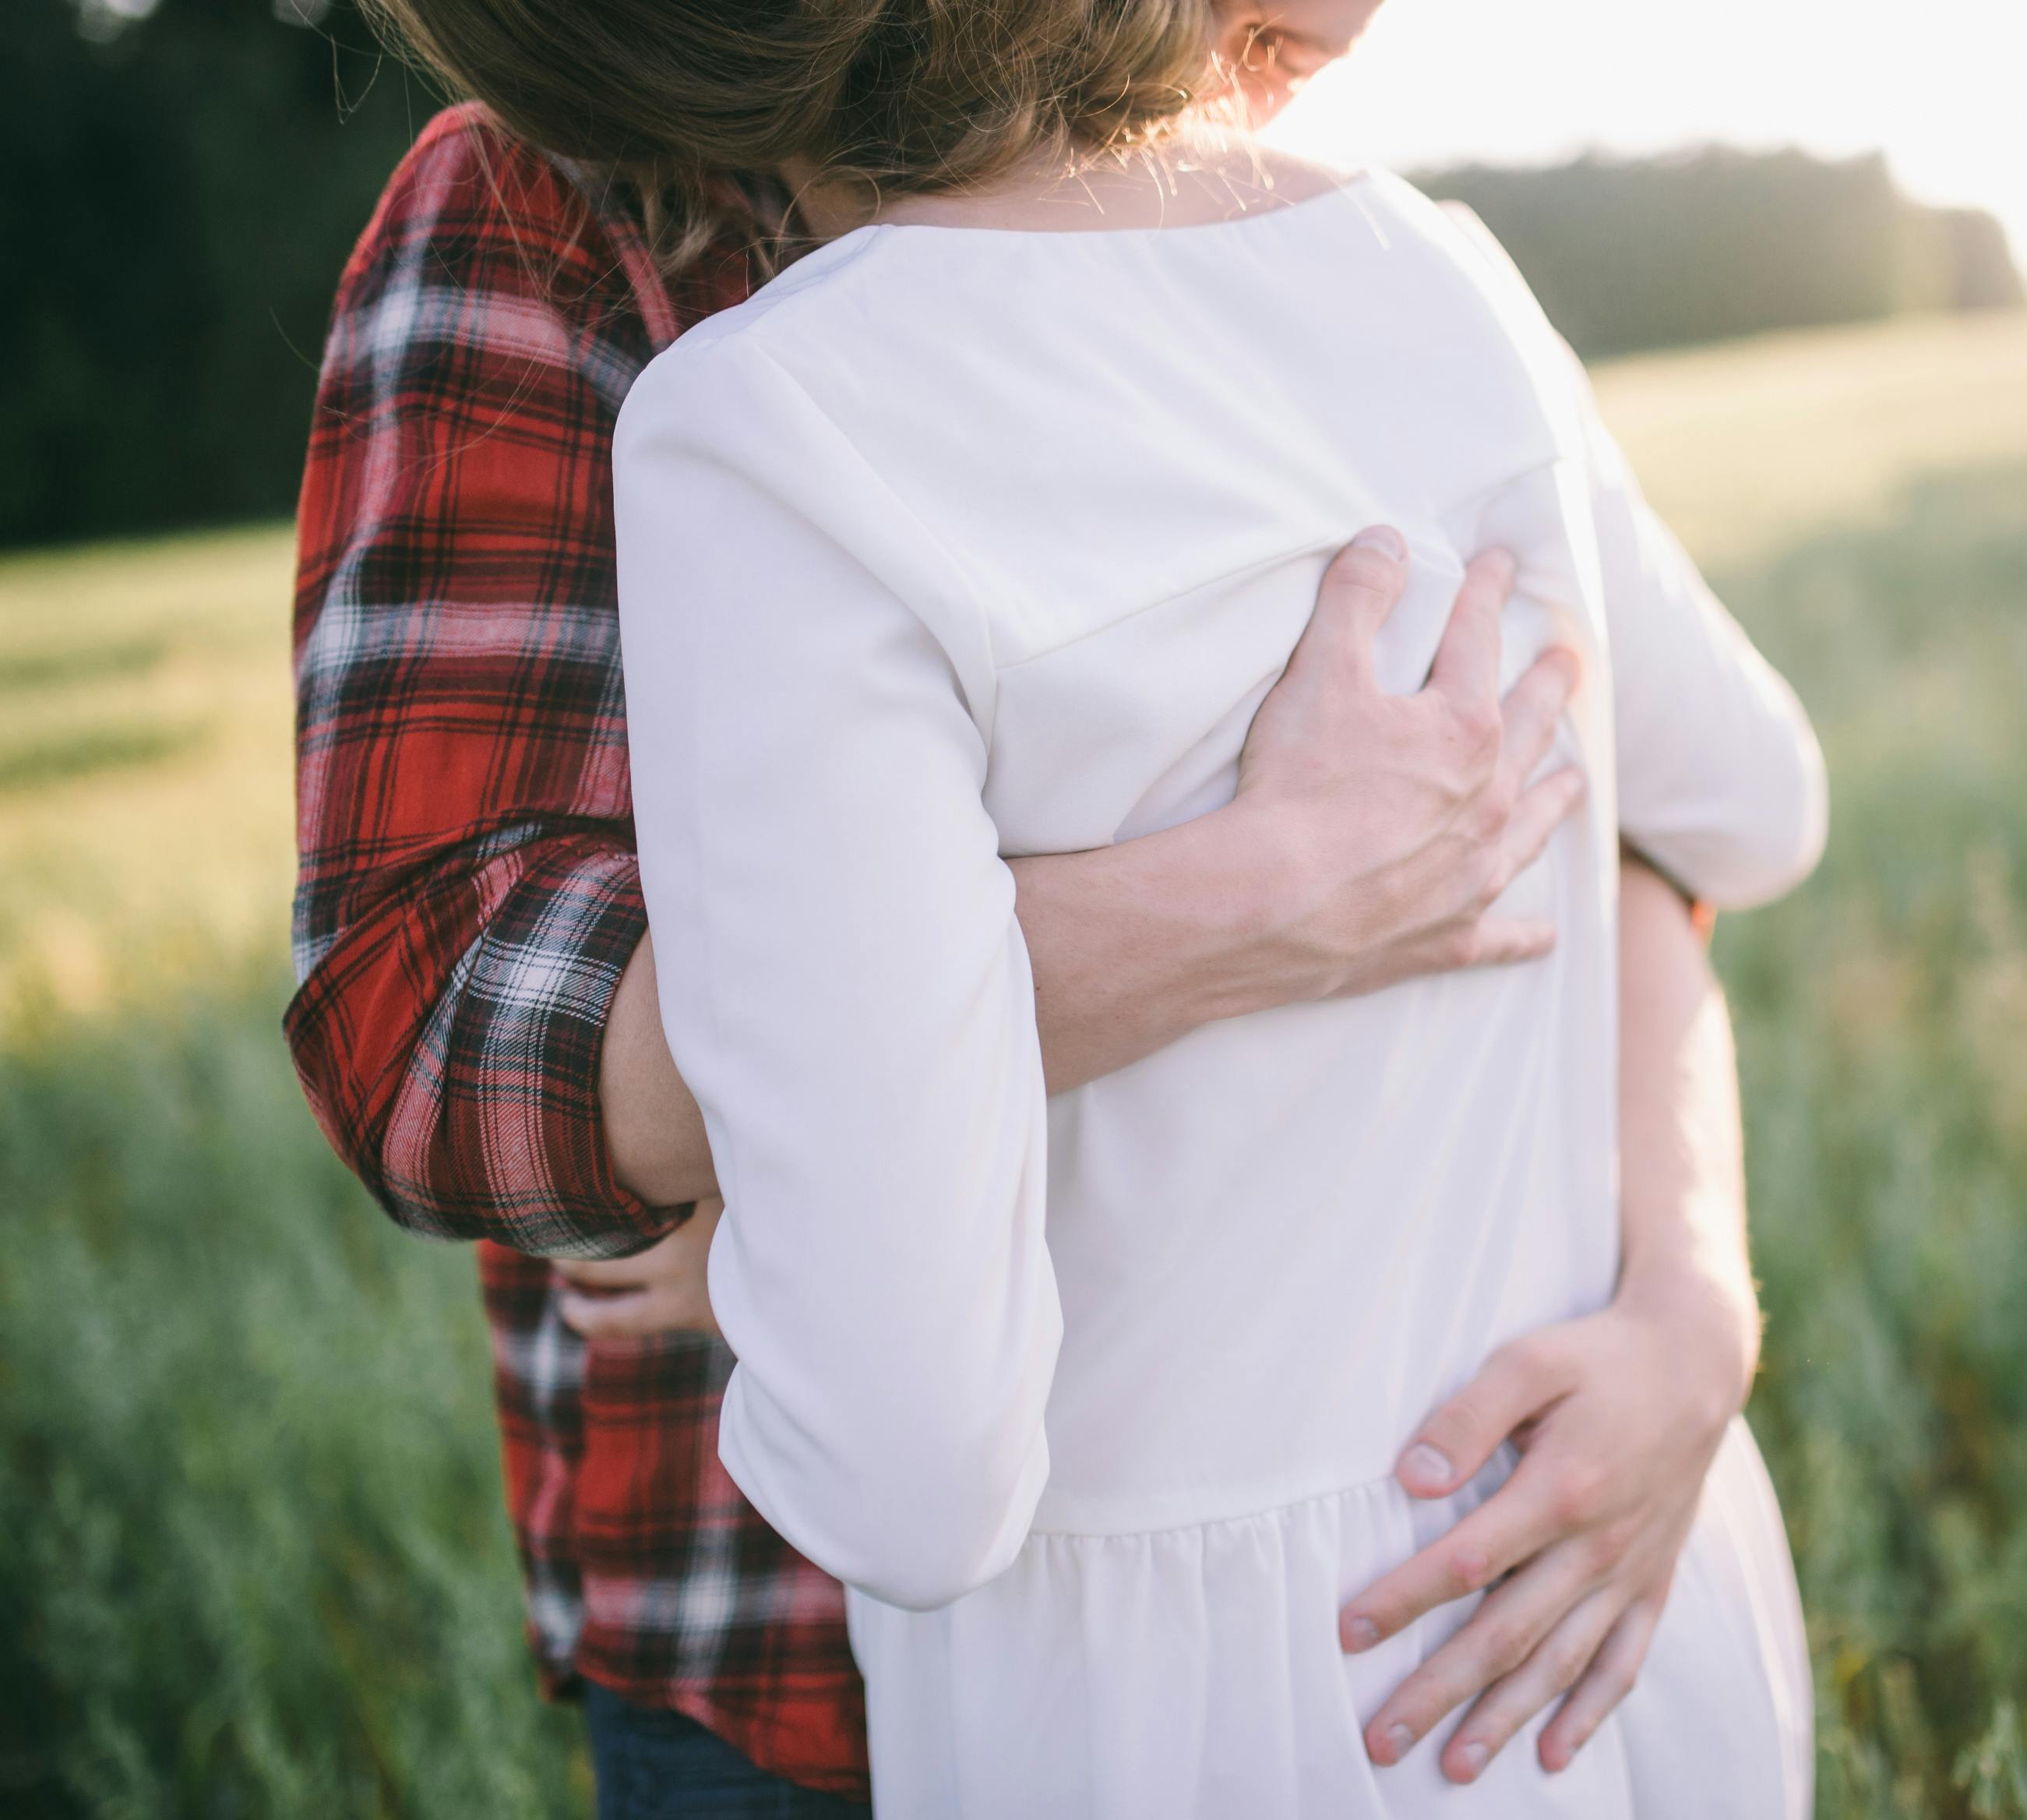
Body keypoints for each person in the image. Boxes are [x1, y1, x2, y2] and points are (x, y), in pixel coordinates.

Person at [288, 5, 1793, 1814]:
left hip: (1456, 1576)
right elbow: (418, 1017)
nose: (1350, 23)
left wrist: (1696, 1300)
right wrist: (1226, 911)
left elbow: (1650, 822)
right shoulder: (578, 248)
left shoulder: (1354, 251)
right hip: (790, 1640)